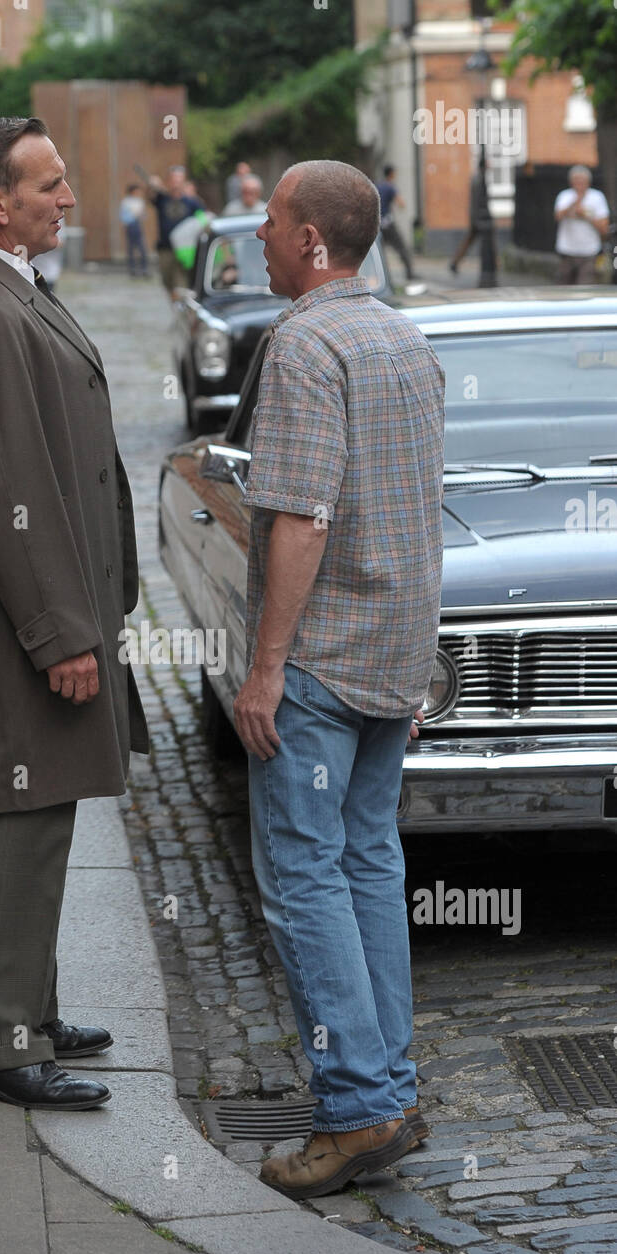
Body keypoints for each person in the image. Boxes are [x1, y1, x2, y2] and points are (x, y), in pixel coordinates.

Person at [0, 116, 149, 1113]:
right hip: (17, 628)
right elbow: (9, 487)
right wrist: (60, 632)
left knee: (40, 811)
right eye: (47, 185)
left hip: (31, 617)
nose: (67, 198)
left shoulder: (4, 291)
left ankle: (29, 1008)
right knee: (14, 818)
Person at [234, 159, 445, 1199]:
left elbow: (302, 518)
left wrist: (263, 668)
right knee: (366, 868)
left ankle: (357, 1109)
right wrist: (414, 668)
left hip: (318, 663)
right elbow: (417, 513)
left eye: (272, 223)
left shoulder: (305, 344)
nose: (258, 238)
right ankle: (389, 1090)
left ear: (311, 239)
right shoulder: (403, 337)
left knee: (305, 881)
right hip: (389, 659)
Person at [147, 166, 204, 298]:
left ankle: (181, 311)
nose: (176, 183)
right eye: (173, 179)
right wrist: (152, 185)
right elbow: (150, 196)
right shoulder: (162, 199)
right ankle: (176, 309)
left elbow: (203, 218)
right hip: (165, 249)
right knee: (167, 283)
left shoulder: (192, 202)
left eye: (179, 179)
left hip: (184, 251)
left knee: (181, 286)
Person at [554, 165, 609, 285]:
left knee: (584, 288)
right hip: (567, 250)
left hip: (589, 251)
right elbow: (557, 216)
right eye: (576, 181)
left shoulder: (597, 197)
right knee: (563, 287)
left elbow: (604, 227)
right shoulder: (565, 196)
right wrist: (575, 203)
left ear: (588, 182)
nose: (579, 185)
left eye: (582, 181)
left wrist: (586, 216)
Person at [375, 164, 414, 281]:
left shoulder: (378, 185)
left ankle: (380, 276)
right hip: (388, 223)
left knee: (378, 251)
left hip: (377, 225)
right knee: (402, 247)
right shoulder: (390, 187)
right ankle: (409, 273)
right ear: (391, 174)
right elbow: (401, 203)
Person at [449, 162, 486, 274]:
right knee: (486, 242)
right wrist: (477, 218)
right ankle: (455, 262)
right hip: (479, 218)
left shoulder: (477, 179)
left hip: (476, 217)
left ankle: (455, 262)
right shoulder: (479, 180)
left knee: (469, 242)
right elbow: (478, 201)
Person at [119, 183, 148, 277]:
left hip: (138, 225)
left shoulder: (140, 201)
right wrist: (132, 216)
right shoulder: (126, 202)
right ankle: (132, 269)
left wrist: (141, 215)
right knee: (131, 248)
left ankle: (144, 269)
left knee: (142, 248)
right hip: (131, 225)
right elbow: (123, 217)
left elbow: (144, 215)